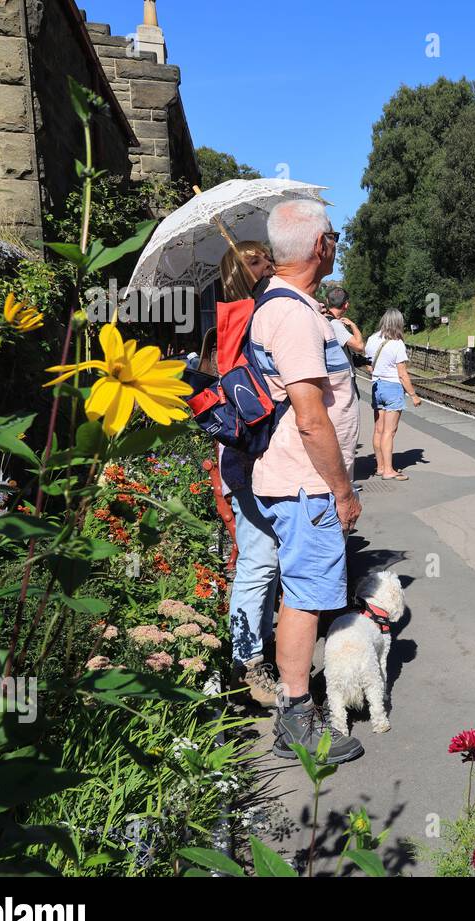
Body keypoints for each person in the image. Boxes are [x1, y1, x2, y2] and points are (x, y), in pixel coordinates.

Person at [249, 199, 364, 763]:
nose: (336, 244)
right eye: (334, 236)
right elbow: (311, 415)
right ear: (321, 245)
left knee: (305, 590)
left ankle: (296, 706)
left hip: (299, 480)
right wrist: (343, 491)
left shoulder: (297, 307)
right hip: (306, 482)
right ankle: (295, 717)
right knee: (306, 595)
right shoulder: (292, 316)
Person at [210, 242, 281, 706]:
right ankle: (247, 664)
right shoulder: (244, 319)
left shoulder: (234, 320)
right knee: (258, 560)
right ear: (244, 272)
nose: (272, 266)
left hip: (245, 456)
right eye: (260, 261)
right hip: (245, 458)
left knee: (265, 557)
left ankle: (254, 653)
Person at [369, 308, 422, 481]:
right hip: (392, 388)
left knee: (378, 429)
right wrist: (413, 395)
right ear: (399, 323)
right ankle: (389, 470)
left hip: (377, 386)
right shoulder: (397, 344)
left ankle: (380, 467)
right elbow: (402, 374)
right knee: (389, 432)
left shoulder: (372, 339)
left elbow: (369, 366)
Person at [322, 285, 365, 356]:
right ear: (346, 305)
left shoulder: (323, 318)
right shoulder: (334, 324)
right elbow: (359, 347)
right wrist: (353, 325)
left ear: (327, 301)